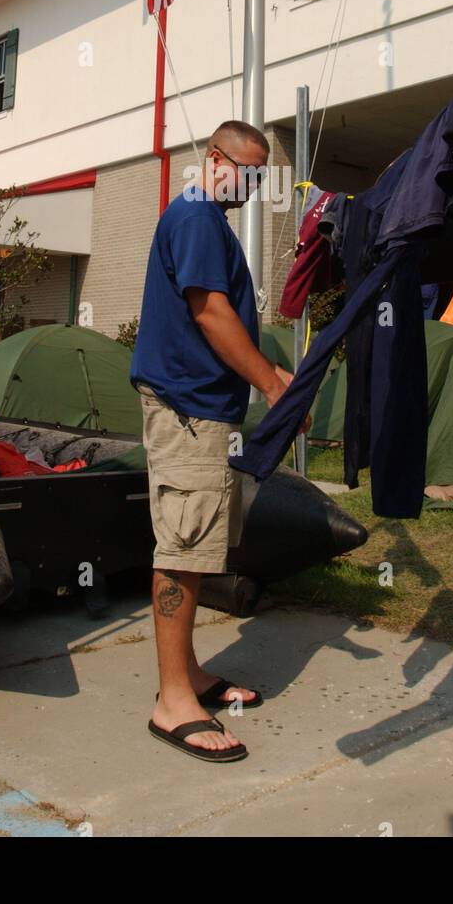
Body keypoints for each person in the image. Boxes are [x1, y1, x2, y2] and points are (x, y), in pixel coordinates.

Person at [130, 120, 308, 763]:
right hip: (186, 411)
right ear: (213, 158)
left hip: (201, 410)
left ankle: (192, 676)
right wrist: (271, 385)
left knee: (199, 547)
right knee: (181, 549)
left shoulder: (207, 220)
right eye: (248, 170)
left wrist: (275, 374)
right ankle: (172, 702)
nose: (255, 185)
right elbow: (209, 313)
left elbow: (223, 316)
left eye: (263, 175)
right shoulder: (198, 215)